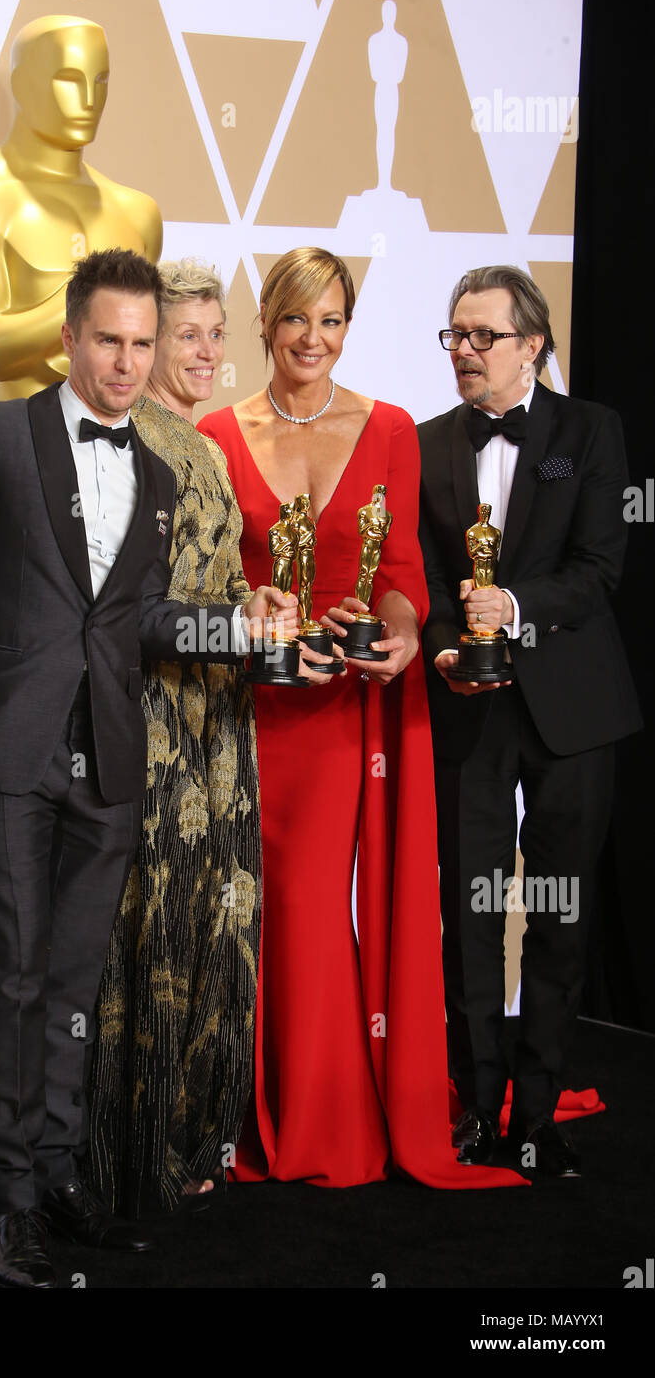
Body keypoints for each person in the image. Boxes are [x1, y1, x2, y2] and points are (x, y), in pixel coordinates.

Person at [0, 248, 296, 1287]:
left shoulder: (154, 470)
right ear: (67, 338)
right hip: (7, 746)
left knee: (71, 980)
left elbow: (138, 619)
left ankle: (58, 1174)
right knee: (10, 975)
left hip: (111, 753)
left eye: (141, 343)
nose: (125, 361)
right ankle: (11, 1198)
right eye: (107, 339)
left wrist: (238, 625)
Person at [199, 247, 518, 1189]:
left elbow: (404, 580)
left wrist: (403, 635)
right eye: (296, 319)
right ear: (265, 323)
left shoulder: (387, 430)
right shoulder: (217, 432)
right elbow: (208, 582)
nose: (313, 339)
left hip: (355, 709)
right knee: (257, 910)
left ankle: (328, 1116)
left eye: (332, 320)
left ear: (350, 327)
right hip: (250, 707)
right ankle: (250, 1112)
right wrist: (257, 614)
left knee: (314, 902)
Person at [83, 258, 304, 1213]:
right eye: (186, 335)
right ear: (143, 344)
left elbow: (205, 584)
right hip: (154, 720)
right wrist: (233, 631)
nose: (207, 351)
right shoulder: (134, 441)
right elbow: (130, 608)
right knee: (155, 928)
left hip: (217, 720)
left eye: (219, 333)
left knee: (217, 920)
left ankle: (191, 1134)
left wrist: (250, 607)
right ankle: (125, 1153)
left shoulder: (204, 447)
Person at [418, 265, 642, 1176]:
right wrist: (441, 643)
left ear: (533, 344)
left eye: (483, 337)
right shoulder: (428, 443)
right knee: (467, 911)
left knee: (556, 916)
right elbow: (425, 585)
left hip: (573, 711)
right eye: (455, 336)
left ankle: (538, 1114)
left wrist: (508, 605)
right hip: (468, 708)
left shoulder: (591, 432)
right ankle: (475, 1107)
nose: (464, 353)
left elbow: (599, 570)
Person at [0, 15, 162, 400]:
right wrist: (93, 299)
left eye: (100, 81)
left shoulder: (138, 213)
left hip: (122, 443)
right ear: (22, 84)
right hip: (21, 442)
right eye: (70, 80)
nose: (89, 100)